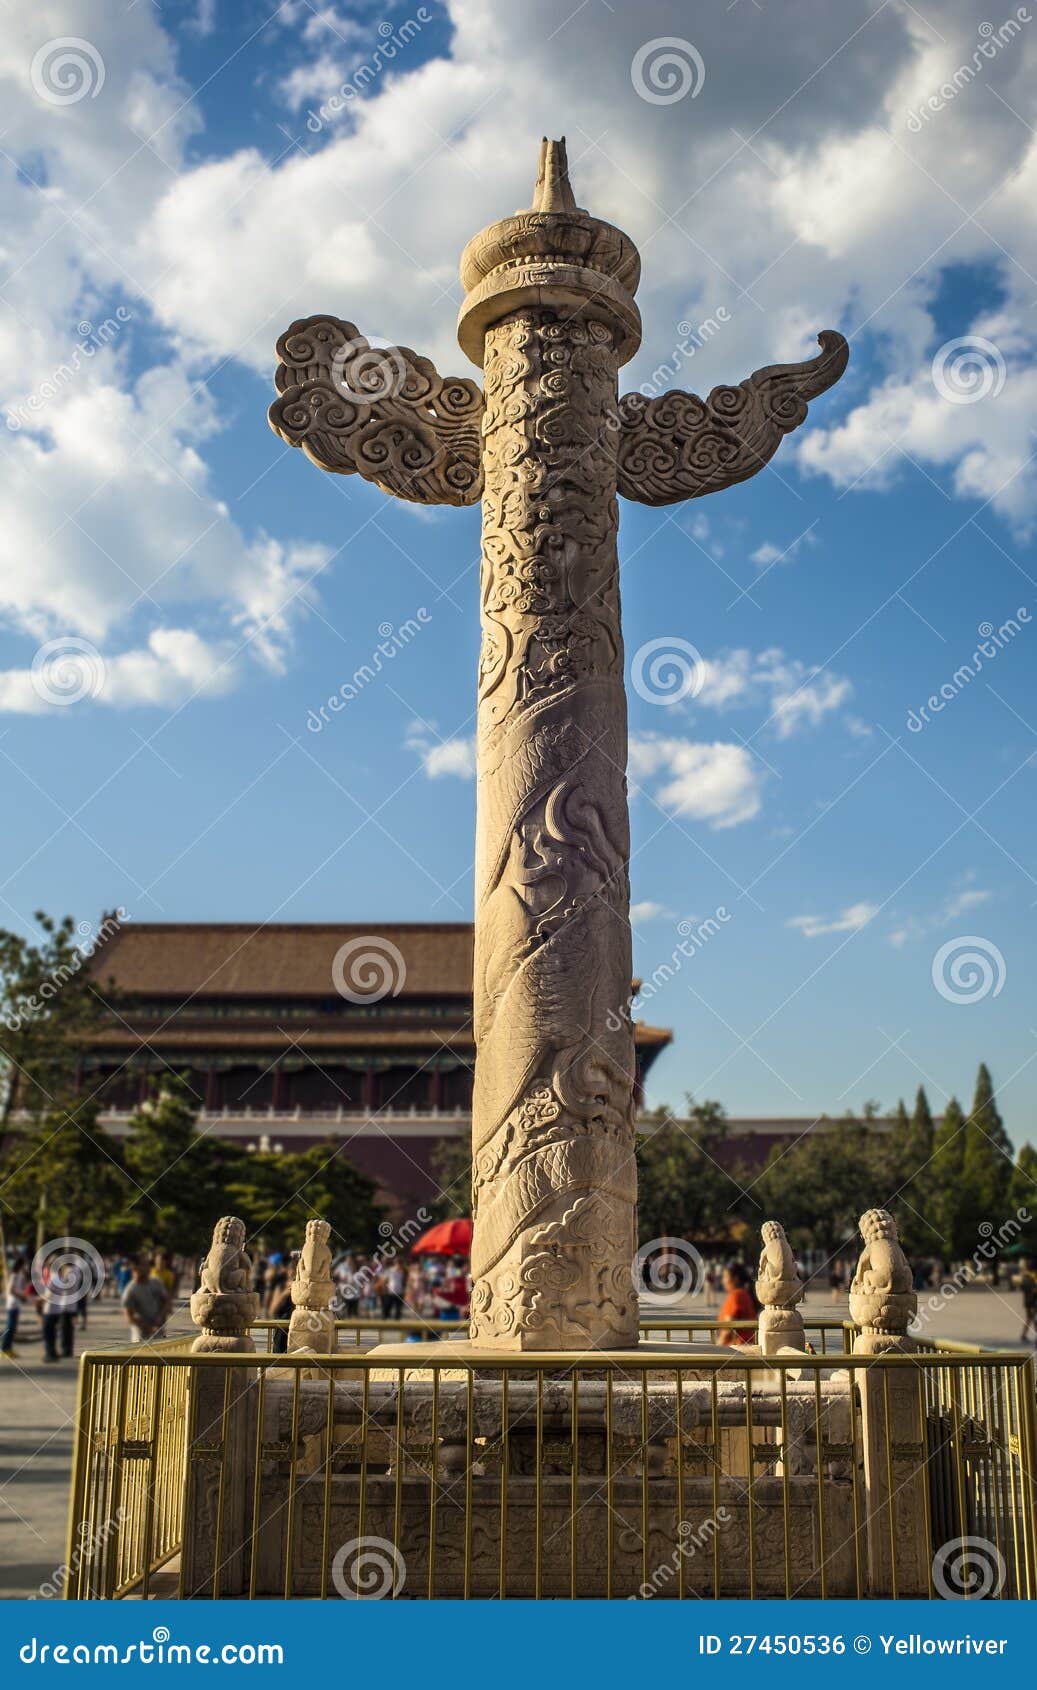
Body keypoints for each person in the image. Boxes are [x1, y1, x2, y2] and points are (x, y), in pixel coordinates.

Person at [121, 1257, 172, 1344]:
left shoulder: (156, 1282)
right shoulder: (130, 1290)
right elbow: (129, 1317)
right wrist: (148, 1328)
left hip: (158, 1330)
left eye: (147, 1265)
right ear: (135, 1269)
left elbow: (166, 1301)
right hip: (140, 1335)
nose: (148, 1268)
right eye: (144, 1265)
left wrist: (161, 1317)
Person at [42, 1261, 79, 1362]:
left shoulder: (59, 1277)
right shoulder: (74, 1271)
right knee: (65, 1330)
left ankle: (59, 1351)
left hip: (60, 1306)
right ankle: (63, 1350)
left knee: (60, 1330)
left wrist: (40, 1299)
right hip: (64, 1306)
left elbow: (49, 1294)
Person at [716, 1261, 759, 1347]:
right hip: (747, 1346)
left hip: (735, 1347)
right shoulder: (745, 1294)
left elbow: (728, 1328)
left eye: (725, 1277)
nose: (723, 1281)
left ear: (735, 1279)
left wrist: (717, 1347)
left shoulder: (735, 1296)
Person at [1, 1256, 29, 1359]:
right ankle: (4, 1349)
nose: (25, 1267)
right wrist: (22, 1296)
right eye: (24, 1265)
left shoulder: (18, 1275)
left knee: (12, 1328)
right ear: (20, 1265)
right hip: (13, 1304)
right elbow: (11, 1290)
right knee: (10, 1328)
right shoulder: (14, 1276)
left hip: (16, 1304)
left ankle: (8, 1348)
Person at [1020, 1258, 1037, 1344]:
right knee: (1032, 1319)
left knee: (1030, 1318)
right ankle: (1023, 1335)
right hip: (1031, 1302)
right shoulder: (1031, 1278)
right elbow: (1033, 1290)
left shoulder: (1026, 1276)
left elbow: (1022, 1287)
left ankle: (1023, 1335)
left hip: (1028, 1301)